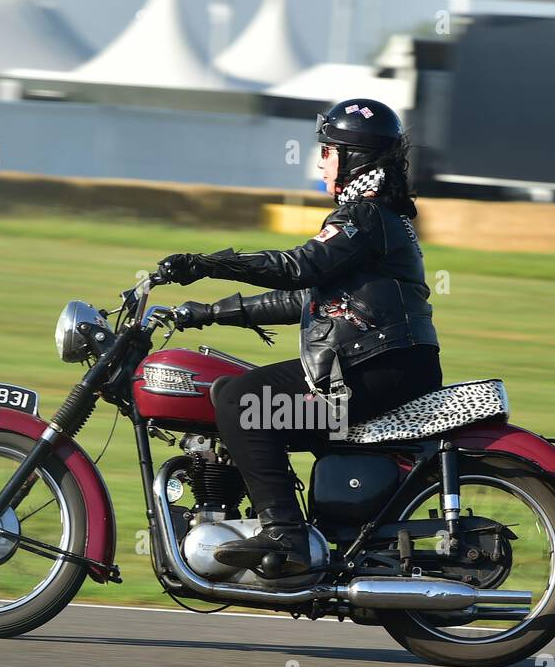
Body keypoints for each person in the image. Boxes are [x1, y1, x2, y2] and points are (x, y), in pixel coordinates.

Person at [157, 98, 442, 577]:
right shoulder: (377, 219)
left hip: (377, 369)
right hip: (388, 365)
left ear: (354, 157)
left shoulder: (363, 218)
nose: (321, 161)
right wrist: (206, 313)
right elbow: (305, 299)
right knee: (233, 391)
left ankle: (285, 533)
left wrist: (207, 263)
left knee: (239, 402)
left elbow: (297, 268)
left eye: (328, 151)